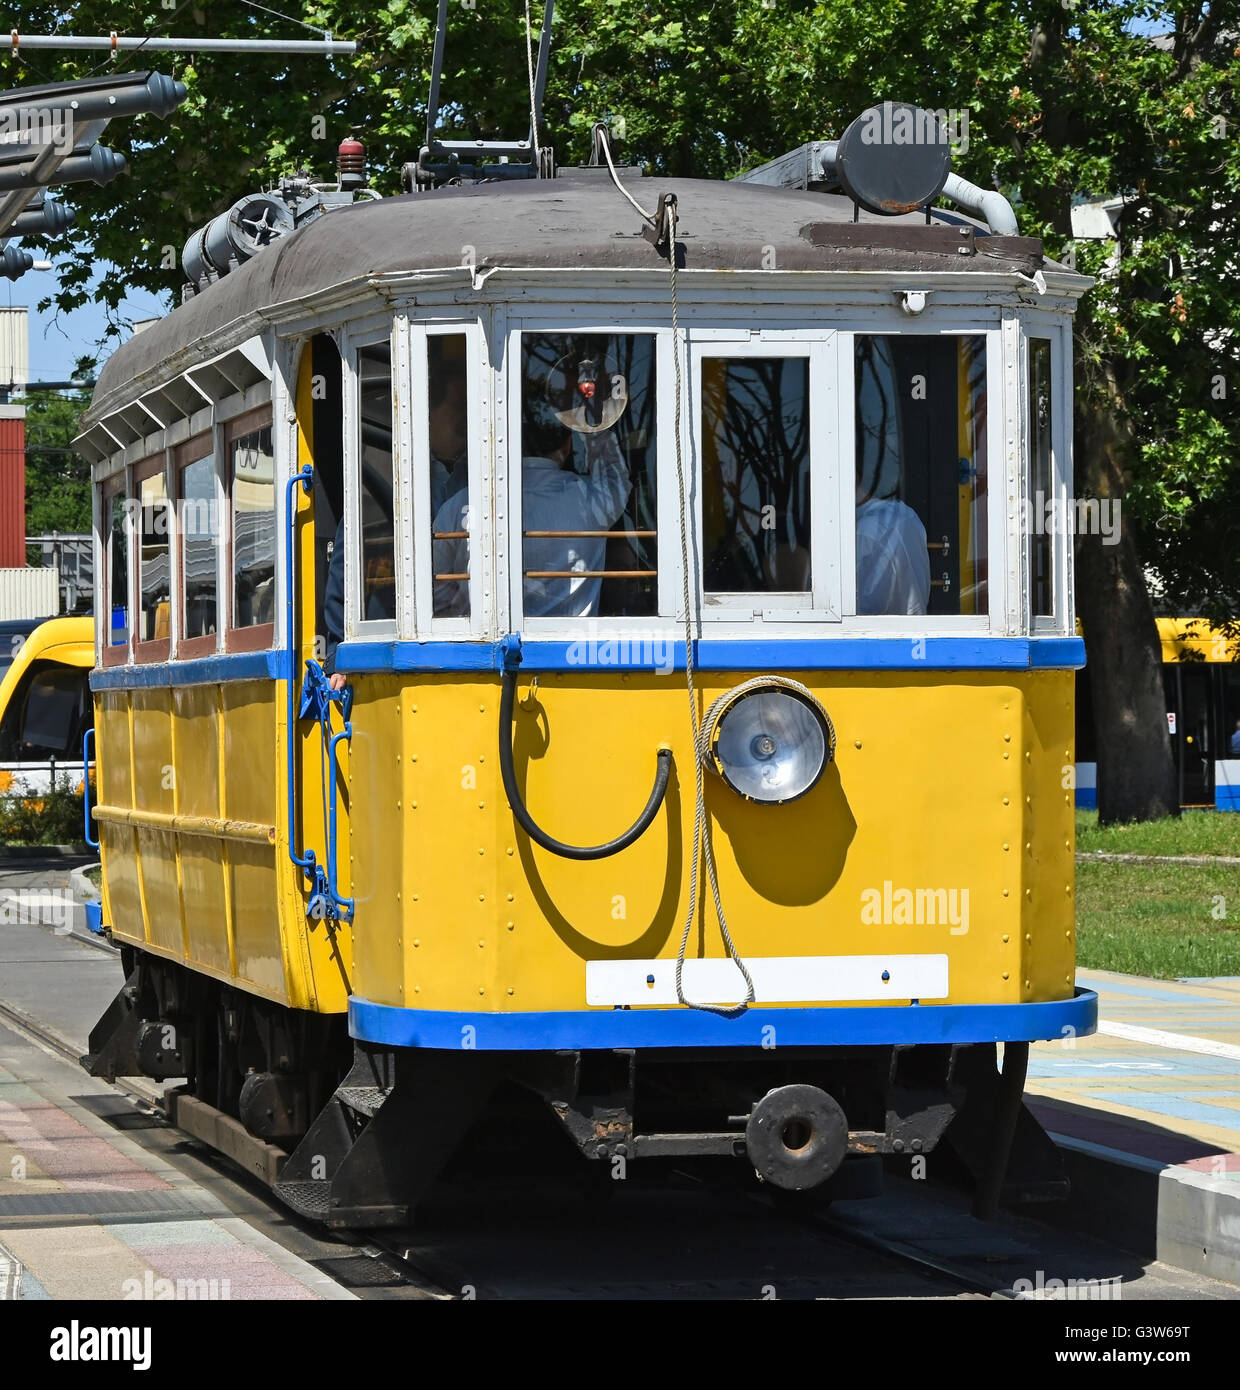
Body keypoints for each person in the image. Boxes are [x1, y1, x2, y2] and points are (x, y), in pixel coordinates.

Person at [323, 346, 468, 690]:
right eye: (458, 409)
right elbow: (346, 574)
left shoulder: (483, 479)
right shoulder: (388, 485)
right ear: (428, 414)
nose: (466, 419)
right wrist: (338, 656)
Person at [431, 386, 630, 619]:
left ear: (507, 444)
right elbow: (616, 476)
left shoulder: (458, 506)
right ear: (567, 447)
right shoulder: (592, 499)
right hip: (575, 652)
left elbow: (438, 601)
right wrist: (591, 416)